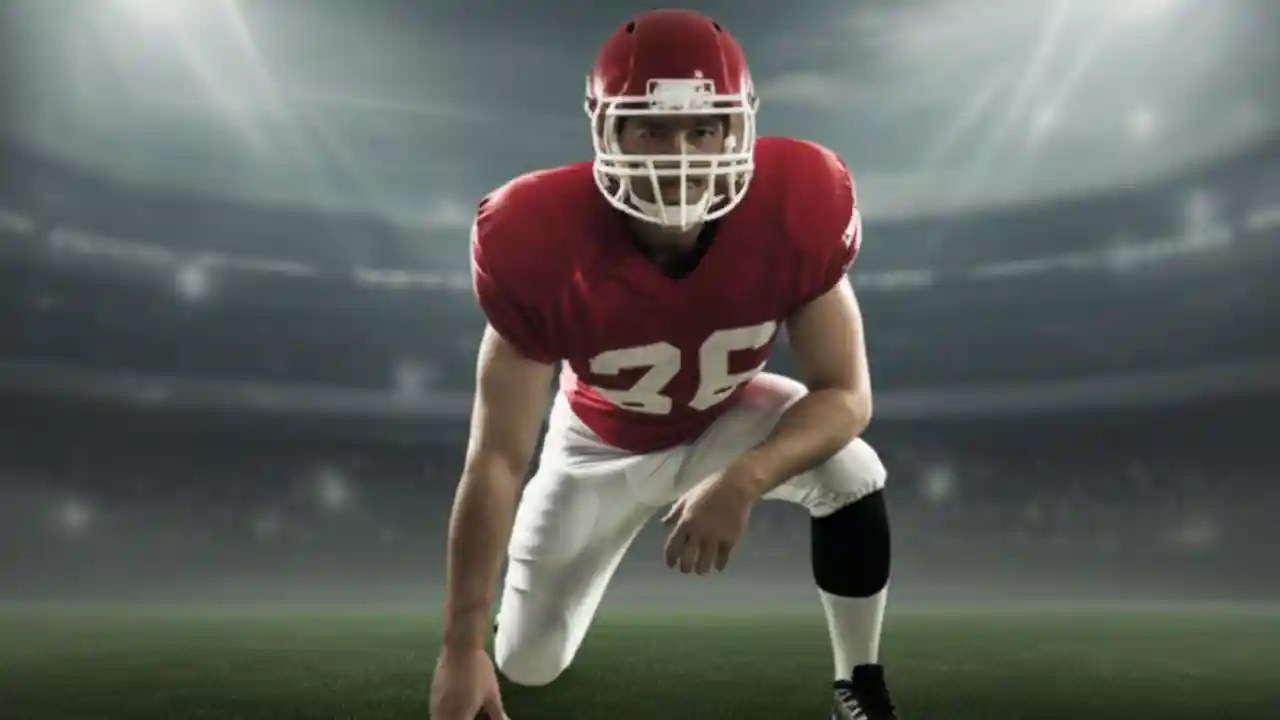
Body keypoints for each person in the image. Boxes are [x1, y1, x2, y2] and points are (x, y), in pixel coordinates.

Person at [429, 9, 898, 720]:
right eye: (651, 128)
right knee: (528, 662)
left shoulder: (796, 204)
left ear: (736, 130)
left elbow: (846, 394)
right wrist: (460, 646)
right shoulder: (536, 239)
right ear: (605, 131)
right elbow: (495, 459)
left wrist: (744, 480)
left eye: (702, 128)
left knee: (851, 471)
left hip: (722, 421)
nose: (679, 154)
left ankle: (857, 684)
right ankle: (507, 635)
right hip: (596, 447)